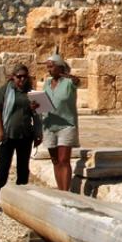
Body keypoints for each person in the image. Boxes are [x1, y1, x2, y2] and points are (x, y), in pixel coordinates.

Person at [0, 63, 42, 203]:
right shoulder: (5, 91)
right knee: (4, 165)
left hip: (25, 134)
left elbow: (38, 114)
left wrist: (38, 132)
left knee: (23, 166)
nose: (22, 80)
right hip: (8, 133)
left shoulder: (31, 92)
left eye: (25, 77)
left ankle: (21, 195)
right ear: (13, 77)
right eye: (19, 77)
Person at [40, 53, 80, 192]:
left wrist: (66, 75)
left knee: (64, 160)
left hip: (66, 125)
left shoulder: (69, 83)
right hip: (49, 124)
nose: (48, 69)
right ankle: (60, 190)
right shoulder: (46, 83)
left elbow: (77, 81)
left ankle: (65, 192)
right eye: (47, 67)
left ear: (59, 67)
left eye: (51, 66)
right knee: (55, 160)